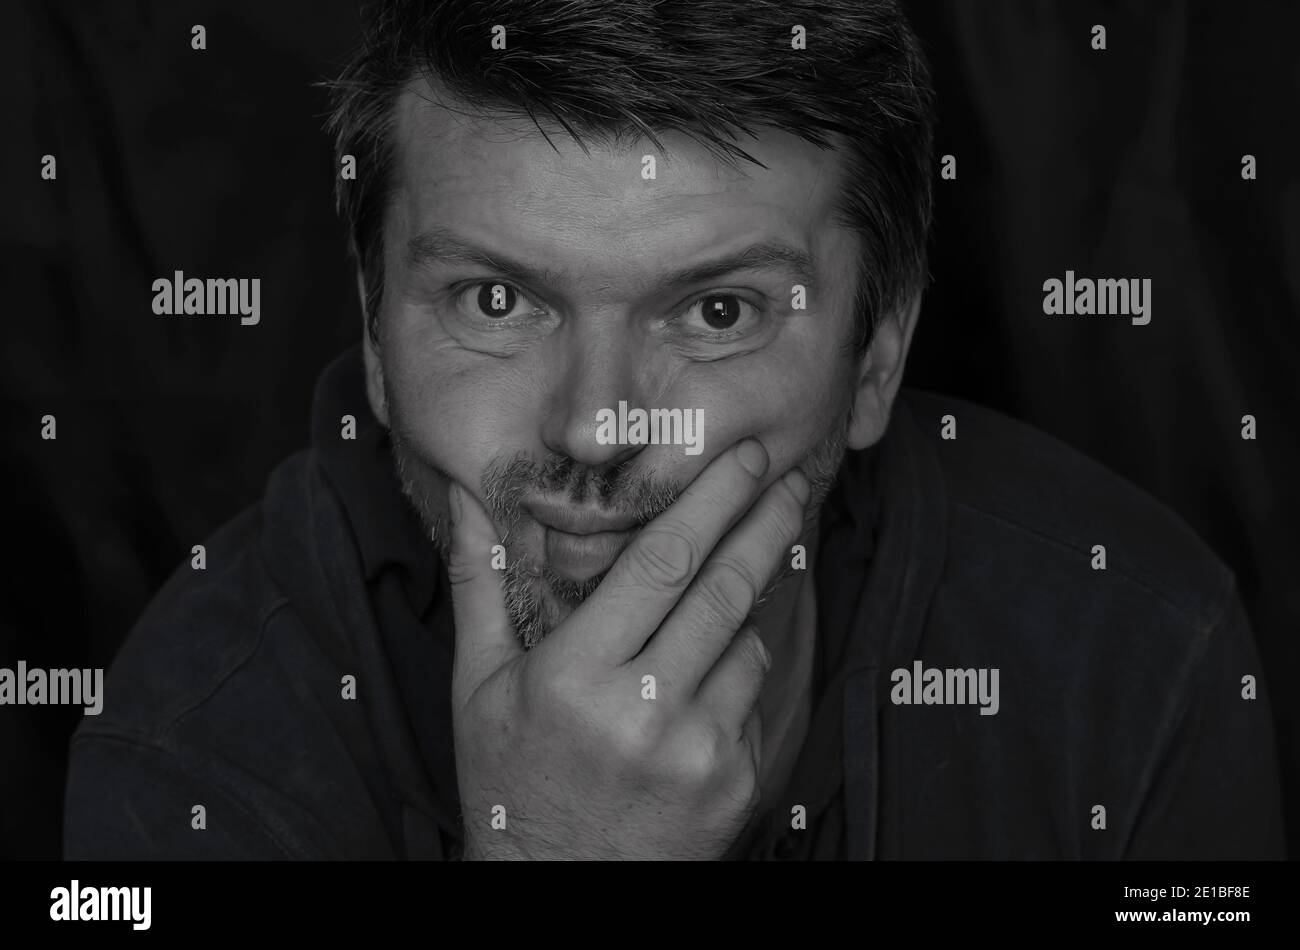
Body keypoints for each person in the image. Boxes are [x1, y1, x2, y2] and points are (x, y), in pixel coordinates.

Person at [64, 0, 1284, 860]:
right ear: (377, 339)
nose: (596, 427)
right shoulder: (195, 751)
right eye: (497, 300)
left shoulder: (1136, 650)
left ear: (877, 353)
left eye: (716, 310)